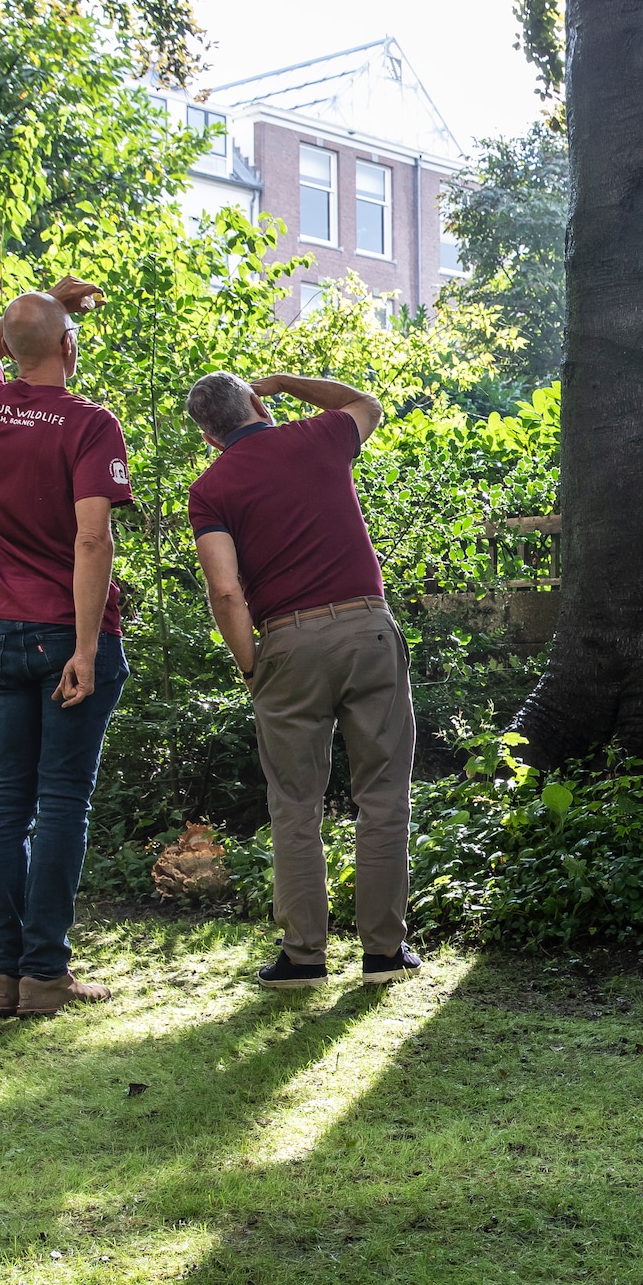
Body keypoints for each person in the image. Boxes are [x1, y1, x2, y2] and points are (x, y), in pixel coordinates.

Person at [184, 370, 421, 990]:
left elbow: (226, 590)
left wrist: (250, 666)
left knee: (294, 806)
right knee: (383, 797)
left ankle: (304, 958)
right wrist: (289, 381)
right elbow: (366, 400)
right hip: (367, 630)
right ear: (258, 404)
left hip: (287, 642)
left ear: (209, 437)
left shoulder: (209, 488)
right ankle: (383, 954)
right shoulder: (320, 437)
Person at [0, 278, 132, 1019]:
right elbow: (91, 537)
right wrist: (89, 649)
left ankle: (5, 977)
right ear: (69, 348)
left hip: (0, 630)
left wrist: (44, 303)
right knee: (61, 798)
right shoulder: (91, 424)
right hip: (68, 634)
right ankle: (44, 974)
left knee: (7, 803)